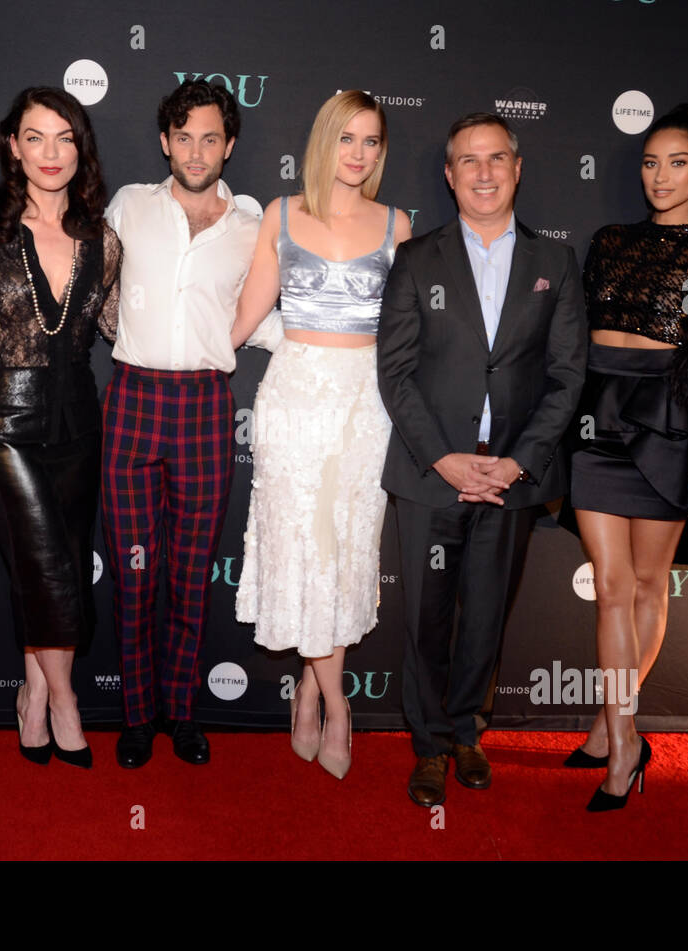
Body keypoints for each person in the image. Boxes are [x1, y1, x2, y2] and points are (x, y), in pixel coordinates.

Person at [378, 113, 587, 807]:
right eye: (468, 160)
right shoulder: (417, 259)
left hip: (510, 479)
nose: (484, 172)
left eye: (497, 157)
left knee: (487, 612)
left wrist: (517, 461)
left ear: (518, 167)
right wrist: (443, 459)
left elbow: (567, 375)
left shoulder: (554, 263)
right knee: (426, 618)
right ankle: (430, 743)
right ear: (449, 174)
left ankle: (468, 730)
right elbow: (396, 371)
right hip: (431, 475)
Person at [565, 102, 688, 810]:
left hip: (670, 422)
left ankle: (605, 727)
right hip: (598, 418)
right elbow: (576, 337)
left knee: (650, 587)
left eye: (677, 162)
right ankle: (625, 746)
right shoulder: (608, 239)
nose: (660, 175)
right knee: (612, 587)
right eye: (650, 162)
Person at [231, 90, 411, 780]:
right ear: (324, 141)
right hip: (294, 396)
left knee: (340, 546)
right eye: (347, 139)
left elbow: (405, 333)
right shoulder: (281, 213)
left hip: (364, 403)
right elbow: (250, 309)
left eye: (371, 141)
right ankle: (339, 703)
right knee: (300, 543)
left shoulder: (398, 225)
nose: (359, 154)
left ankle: (312, 690)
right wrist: (191, 369)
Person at [0, 87, 121, 769]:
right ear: (12, 146)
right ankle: (65, 700)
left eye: (64, 137)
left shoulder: (104, 240)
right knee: (49, 567)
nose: (50, 153)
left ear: (79, 147)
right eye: (35, 137)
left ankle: (31, 694)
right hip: (4, 420)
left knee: (51, 563)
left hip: (81, 423)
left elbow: (120, 329)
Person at [102, 80, 259, 768]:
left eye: (210, 137)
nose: (196, 150)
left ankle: (183, 712)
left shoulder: (253, 227)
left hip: (204, 405)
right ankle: (138, 716)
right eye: (183, 136)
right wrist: (122, 332)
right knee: (136, 572)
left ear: (230, 144)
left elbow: (269, 314)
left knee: (191, 574)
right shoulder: (129, 206)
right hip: (133, 398)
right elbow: (94, 289)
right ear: (165, 141)